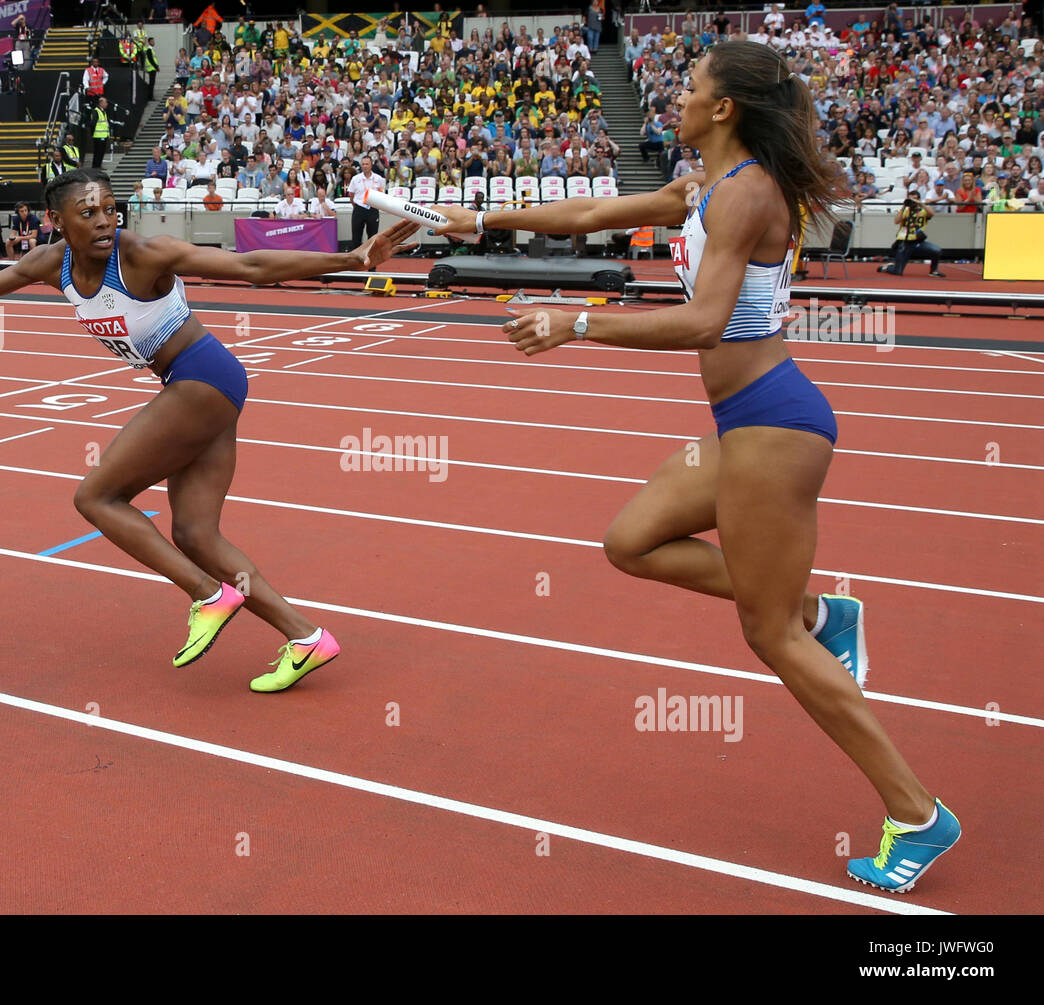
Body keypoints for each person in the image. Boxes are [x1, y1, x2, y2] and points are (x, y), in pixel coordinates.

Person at [433, 40, 960, 893]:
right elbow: (593, 216)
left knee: (768, 634)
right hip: (741, 425)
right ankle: (824, 610)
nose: (671, 99)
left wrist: (577, 324)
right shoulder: (699, 188)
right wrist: (481, 222)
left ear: (723, 109)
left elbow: (708, 322)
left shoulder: (748, 193)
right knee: (631, 541)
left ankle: (917, 813)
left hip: (774, 426)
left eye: (687, 89)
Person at [0, 168, 419, 692]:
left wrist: (354, 258)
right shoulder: (51, 262)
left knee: (95, 495)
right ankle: (305, 637)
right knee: (194, 534)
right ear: (57, 221)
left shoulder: (143, 253)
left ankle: (208, 596)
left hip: (202, 377)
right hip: (197, 387)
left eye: (111, 209)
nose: (105, 221)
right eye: (88, 213)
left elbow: (250, 266)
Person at [878, 187, 945, 277]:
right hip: (904, 242)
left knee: (936, 250)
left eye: (915, 199)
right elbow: (896, 221)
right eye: (910, 199)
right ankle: (888, 268)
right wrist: (904, 206)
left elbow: (932, 213)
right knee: (898, 272)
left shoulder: (923, 211)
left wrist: (921, 204)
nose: (912, 202)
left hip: (918, 242)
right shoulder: (905, 211)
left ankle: (934, 270)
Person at [347, 155, 385, 249]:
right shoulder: (355, 179)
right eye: (363, 164)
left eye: (367, 164)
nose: (365, 166)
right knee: (356, 237)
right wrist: (356, 205)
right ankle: (356, 261)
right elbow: (351, 195)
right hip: (359, 208)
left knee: (372, 237)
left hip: (372, 209)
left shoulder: (378, 179)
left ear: (371, 165)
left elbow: (382, 194)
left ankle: (371, 261)